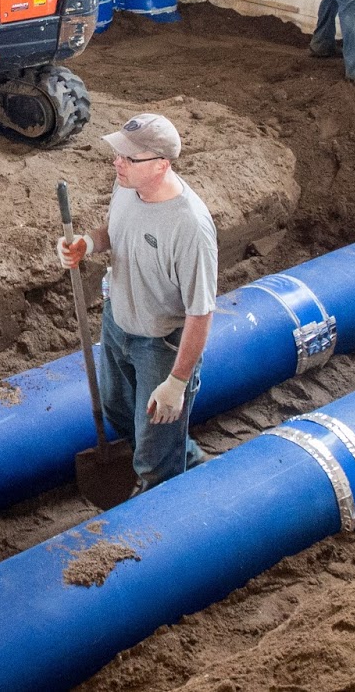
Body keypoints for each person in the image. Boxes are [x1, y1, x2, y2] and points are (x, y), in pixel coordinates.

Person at [55, 113, 218, 495]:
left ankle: (159, 491)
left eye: (129, 158)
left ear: (161, 165)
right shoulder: (127, 187)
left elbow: (201, 312)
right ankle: (184, 455)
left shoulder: (190, 228)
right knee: (115, 406)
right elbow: (115, 230)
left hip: (160, 343)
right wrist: (87, 244)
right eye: (118, 155)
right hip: (118, 322)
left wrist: (176, 383)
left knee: (152, 443)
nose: (117, 163)